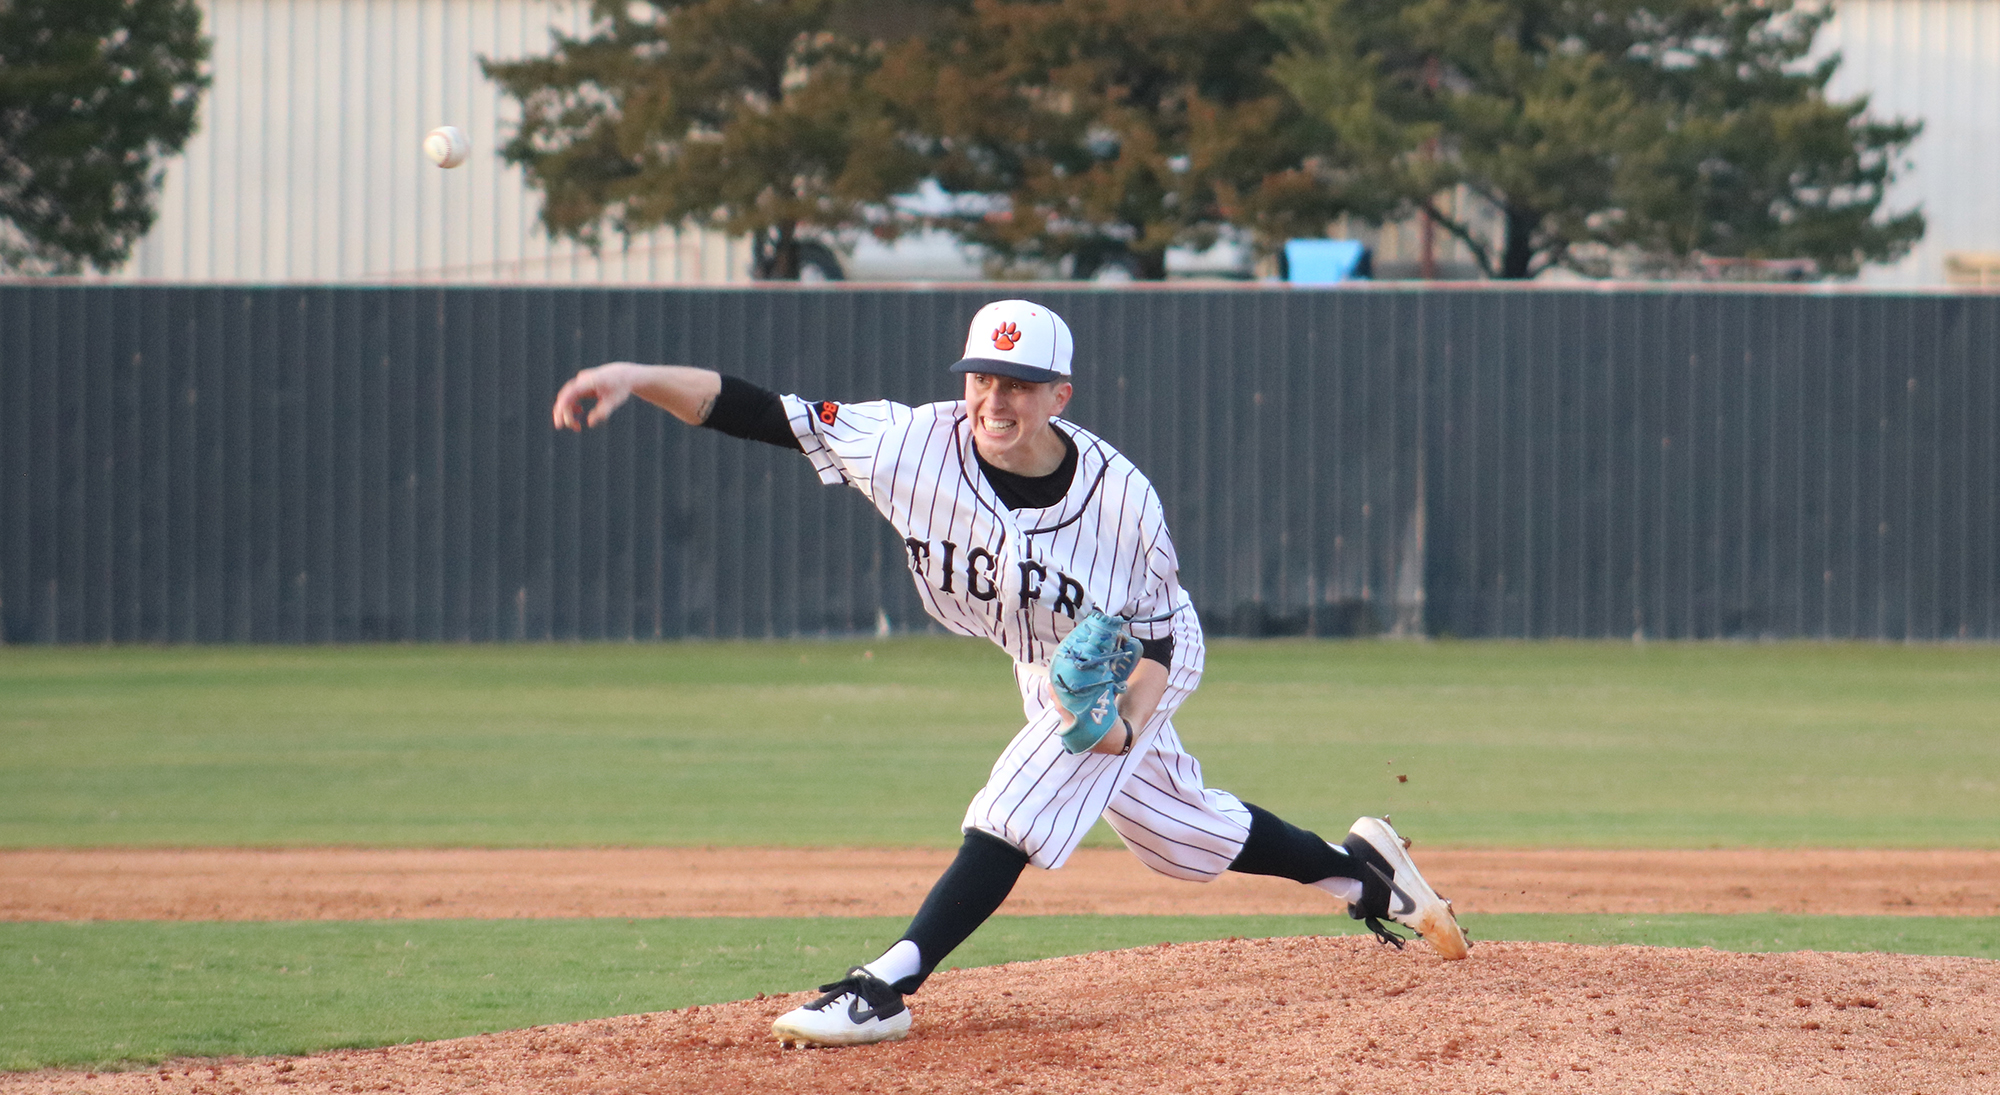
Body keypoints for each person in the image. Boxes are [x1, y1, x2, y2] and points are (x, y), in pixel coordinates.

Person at [550, 299, 1468, 1049]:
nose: (996, 397)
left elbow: (1153, 641)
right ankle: (1368, 876)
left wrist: (1112, 726)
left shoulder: (1121, 501)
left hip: (1136, 656)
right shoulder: (907, 442)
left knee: (1023, 794)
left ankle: (885, 984)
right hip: (1045, 659)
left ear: (1059, 393)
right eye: (983, 375)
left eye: (1021, 382)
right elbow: (761, 412)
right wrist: (636, 377)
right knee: (1180, 840)